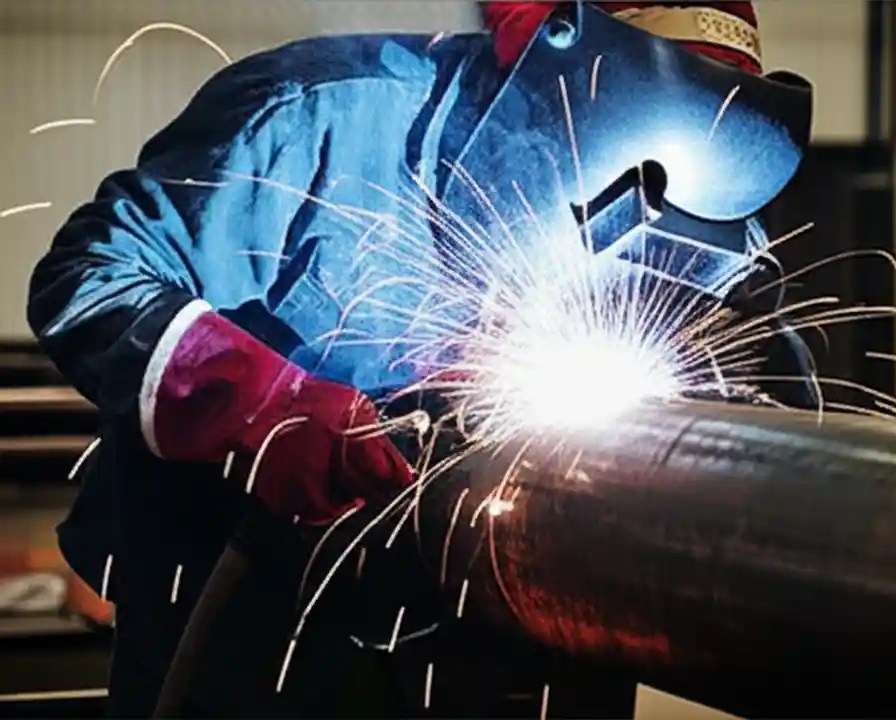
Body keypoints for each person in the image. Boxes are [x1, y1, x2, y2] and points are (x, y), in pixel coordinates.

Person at [26, 1, 812, 716]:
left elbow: (769, 399)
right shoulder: (326, 116)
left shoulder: (703, 193)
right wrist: (258, 403)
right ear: (545, 58)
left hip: (519, 637)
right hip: (242, 623)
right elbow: (90, 277)